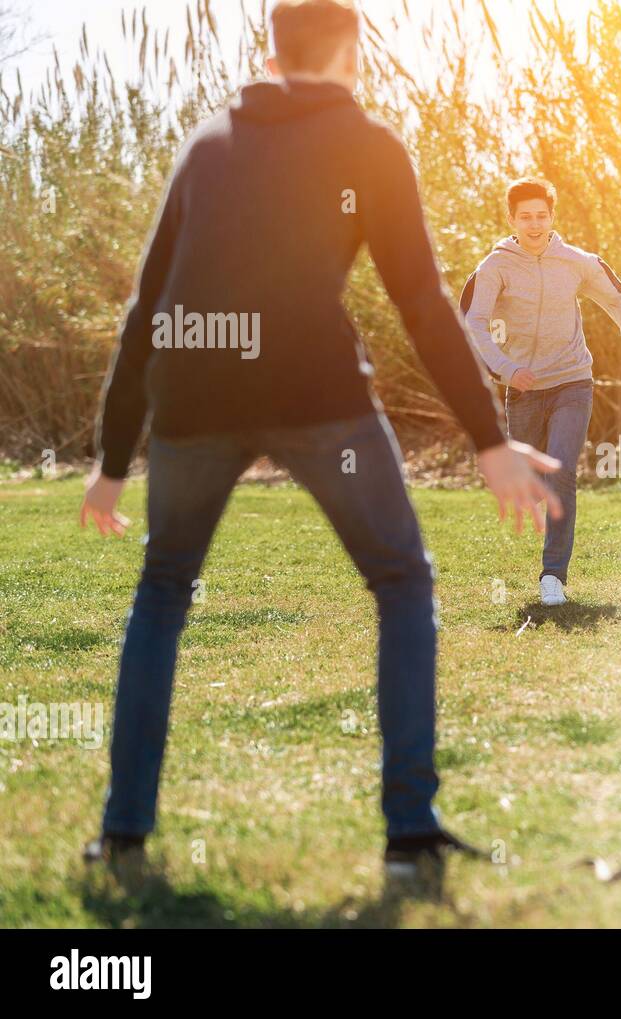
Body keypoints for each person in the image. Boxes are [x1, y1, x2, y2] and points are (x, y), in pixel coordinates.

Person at [78, 0, 559, 879]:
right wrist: (489, 440)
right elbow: (421, 301)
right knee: (402, 580)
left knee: (163, 586)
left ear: (276, 49)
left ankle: (122, 834)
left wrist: (111, 464)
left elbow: (146, 309)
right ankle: (410, 830)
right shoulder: (367, 146)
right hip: (316, 394)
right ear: (350, 53)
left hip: (191, 395)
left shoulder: (208, 142)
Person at [460, 177, 621, 606]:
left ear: (552, 217)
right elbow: (472, 322)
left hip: (572, 381)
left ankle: (553, 576)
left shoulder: (575, 261)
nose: (534, 224)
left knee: (561, 470)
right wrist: (506, 369)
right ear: (510, 219)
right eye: (525, 217)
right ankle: (544, 552)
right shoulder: (495, 267)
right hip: (523, 389)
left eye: (541, 216)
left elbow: (620, 300)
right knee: (527, 481)